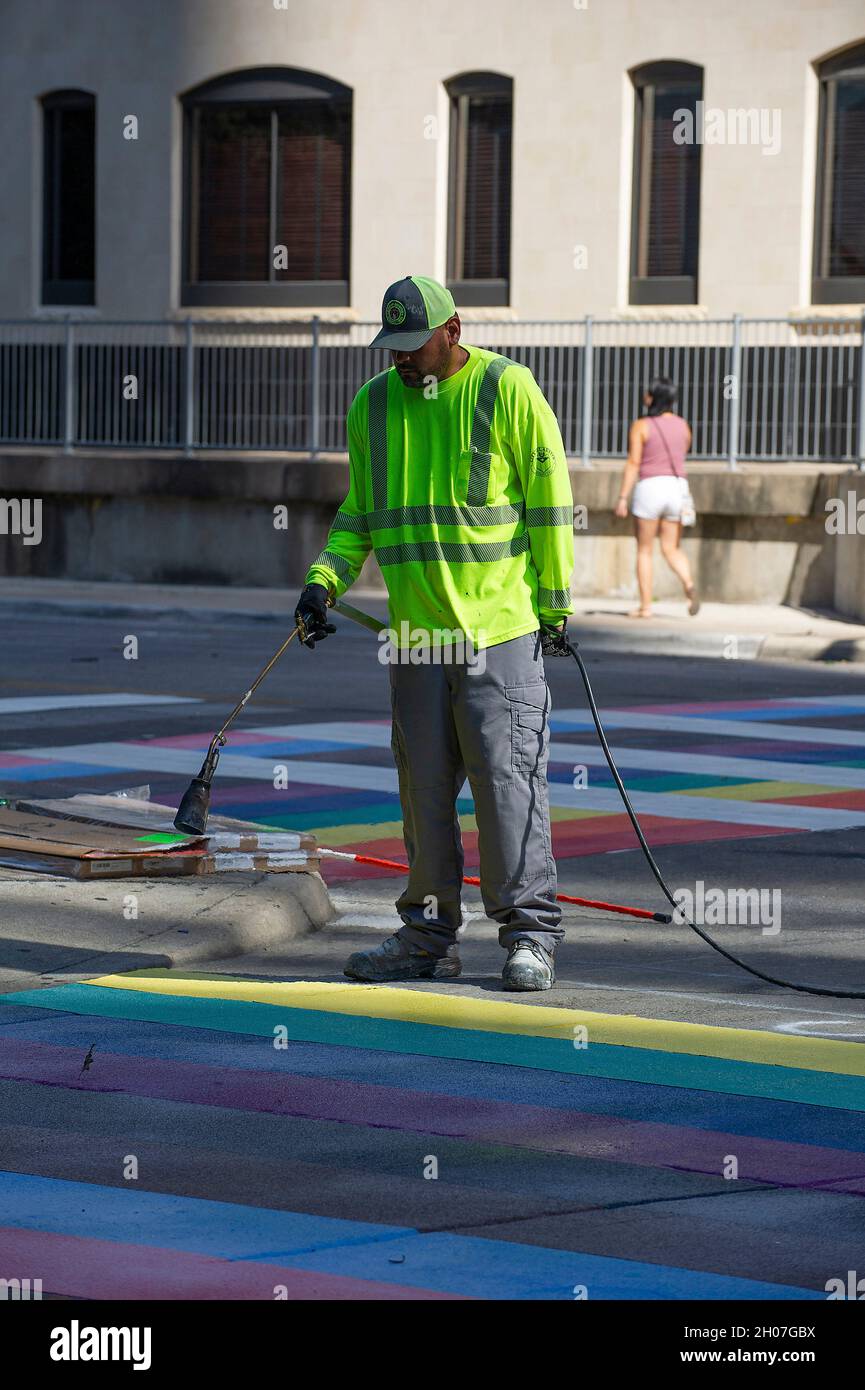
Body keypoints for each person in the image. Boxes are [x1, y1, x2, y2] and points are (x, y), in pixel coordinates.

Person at [294, 275, 575, 991]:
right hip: (414, 642)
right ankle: (427, 936)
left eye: (411, 346)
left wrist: (553, 606)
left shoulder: (506, 389)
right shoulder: (373, 404)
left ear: (452, 331)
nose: (399, 361)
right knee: (422, 795)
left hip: (497, 632)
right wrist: (324, 580)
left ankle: (530, 935)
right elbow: (361, 510)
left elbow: (549, 503)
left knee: (507, 789)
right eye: (389, 348)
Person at [614, 378, 699, 619]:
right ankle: (689, 583)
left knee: (644, 550)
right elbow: (684, 452)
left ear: (653, 398)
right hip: (677, 487)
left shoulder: (642, 426)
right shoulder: (684, 426)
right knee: (671, 548)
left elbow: (633, 462)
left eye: (647, 394)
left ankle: (645, 607)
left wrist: (622, 497)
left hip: (650, 487)